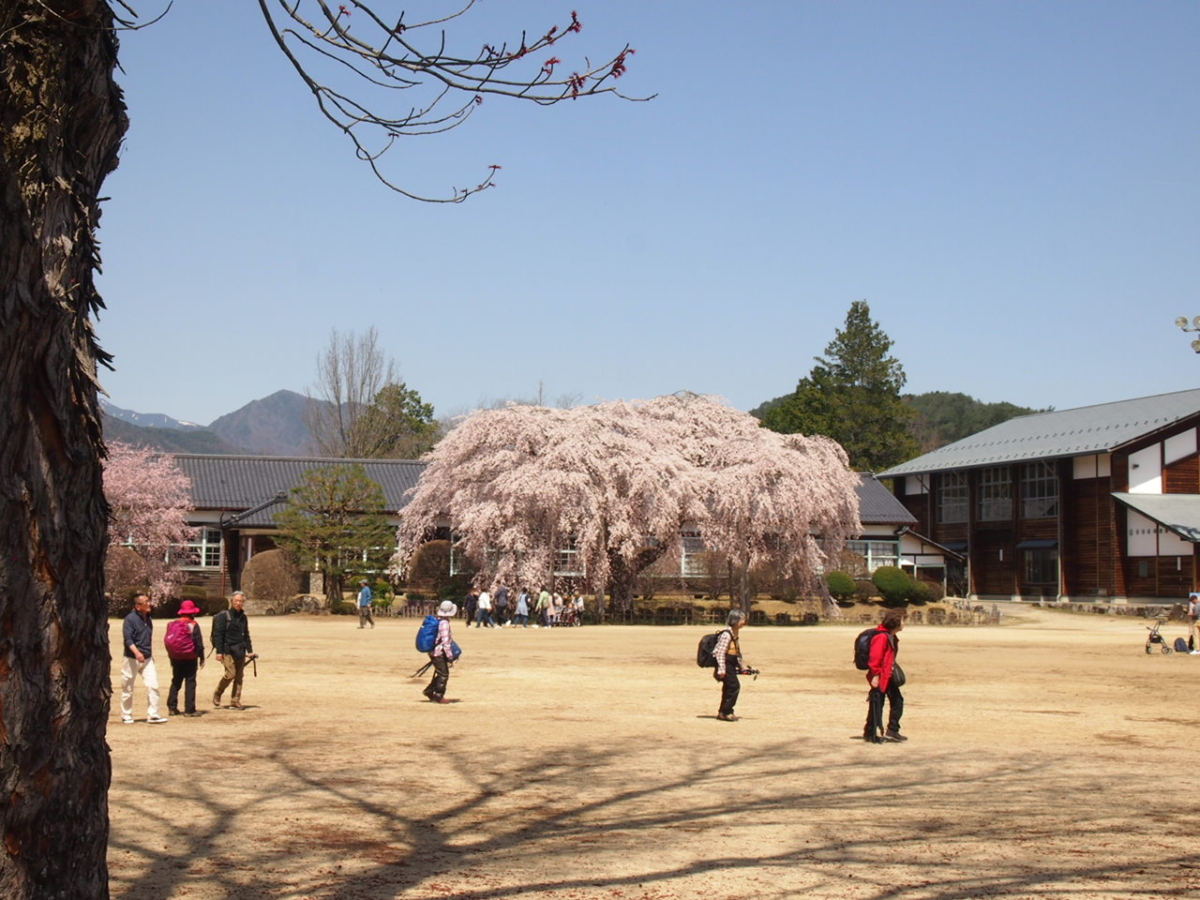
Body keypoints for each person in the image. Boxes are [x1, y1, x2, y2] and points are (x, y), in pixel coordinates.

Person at [121, 593, 168, 724]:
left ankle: (153, 714)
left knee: (153, 685)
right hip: (132, 658)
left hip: (147, 658)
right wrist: (137, 653)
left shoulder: (148, 618)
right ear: (137, 606)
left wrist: (147, 655)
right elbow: (128, 639)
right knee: (127, 687)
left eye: (149, 601)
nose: (149, 604)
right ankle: (126, 714)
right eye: (145, 602)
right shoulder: (130, 619)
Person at [864, 609, 907, 743]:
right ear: (896, 623)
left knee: (896, 700)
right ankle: (871, 732)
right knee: (877, 703)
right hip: (881, 675)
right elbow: (875, 657)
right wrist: (875, 675)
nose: (904, 624)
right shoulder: (882, 637)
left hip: (888, 674)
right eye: (903, 621)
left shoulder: (890, 636)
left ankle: (892, 729)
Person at [212, 591, 256, 709]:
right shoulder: (224, 616)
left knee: (239, 676)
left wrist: (250, 650)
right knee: (231, 674)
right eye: (236, 601)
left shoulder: (243, 617)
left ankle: (235, 700)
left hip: (240, 649)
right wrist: (219, 652)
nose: (238, 603)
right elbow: (218, 634)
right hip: (227, 649)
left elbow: (246, 634)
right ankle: (218, 693)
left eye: (240, 601)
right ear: (232, 602)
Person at [165, 600, 206, 717]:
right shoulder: (193, 624)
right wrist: (201, 657)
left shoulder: (173, 624)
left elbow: (168, 641)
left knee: (176, 680)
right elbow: (198, 643)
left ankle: (172, 707)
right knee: (190, 682)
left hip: (176, 657)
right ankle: (189, 709)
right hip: (190, 657)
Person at [713, 609, 749, 722]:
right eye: (742, 619)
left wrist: (743, 667)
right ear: (736, 620)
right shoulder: (726, 634)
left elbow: (736, 652)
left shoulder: (734, 633)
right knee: (734, 687)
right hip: (726, 663)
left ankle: (723, 712)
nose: (744, 621)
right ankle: (726, 712)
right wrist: (722, 669)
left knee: (728, 688)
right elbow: (719, 652)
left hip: (731, 663)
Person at [423, 599, 458, 703]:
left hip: (433, 651)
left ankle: (429, 690)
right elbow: (445, 641)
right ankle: (439, 695)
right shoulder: (444, 623)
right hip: (439, 652)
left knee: (441, 673)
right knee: (444, 674)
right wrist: (450, 656)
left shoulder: (437, 620)